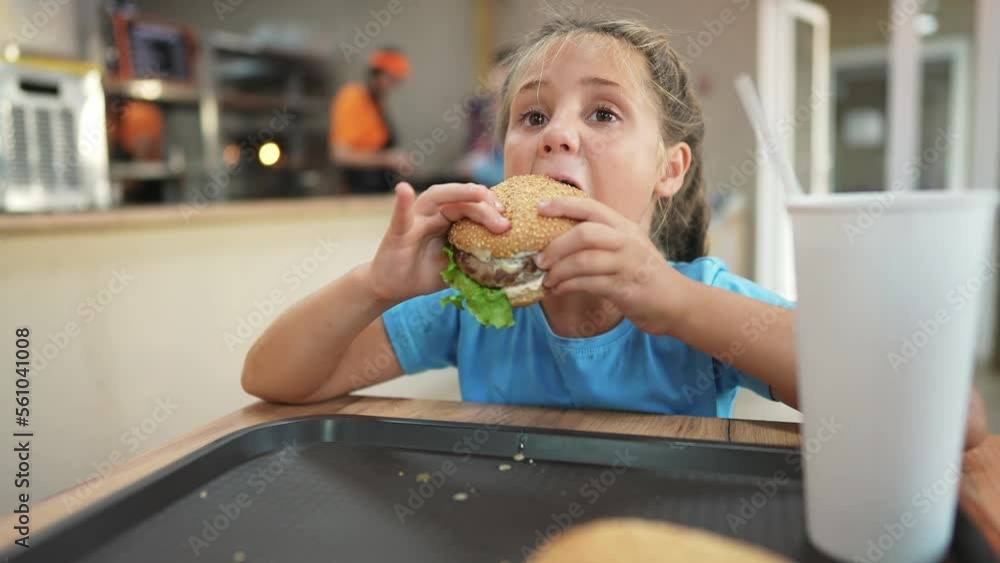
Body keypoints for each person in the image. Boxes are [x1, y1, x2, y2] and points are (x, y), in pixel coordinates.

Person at [244, 17, 989, 450]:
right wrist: (373, 286)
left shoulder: (699, 304)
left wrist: (672, 301)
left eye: (602, 114)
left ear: (670, 169)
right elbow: (273, 380)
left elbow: (946, 417)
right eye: (532, 116)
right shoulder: (470, 307)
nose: (556, 135)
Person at [329, 47, 411, 194]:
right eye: (391, 79)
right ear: (377, 74)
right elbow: (341, 155)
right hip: (358, 192)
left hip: (380, 190)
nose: (393, 86)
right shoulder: (353, 98)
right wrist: (387, 159)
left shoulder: (379, 104)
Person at [454, 45, 514, 187]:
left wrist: (479, 170)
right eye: (495, 72)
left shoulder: (522, 110)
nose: (497, 79)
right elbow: (472, 146)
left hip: (505, 177)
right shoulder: (477, 106)